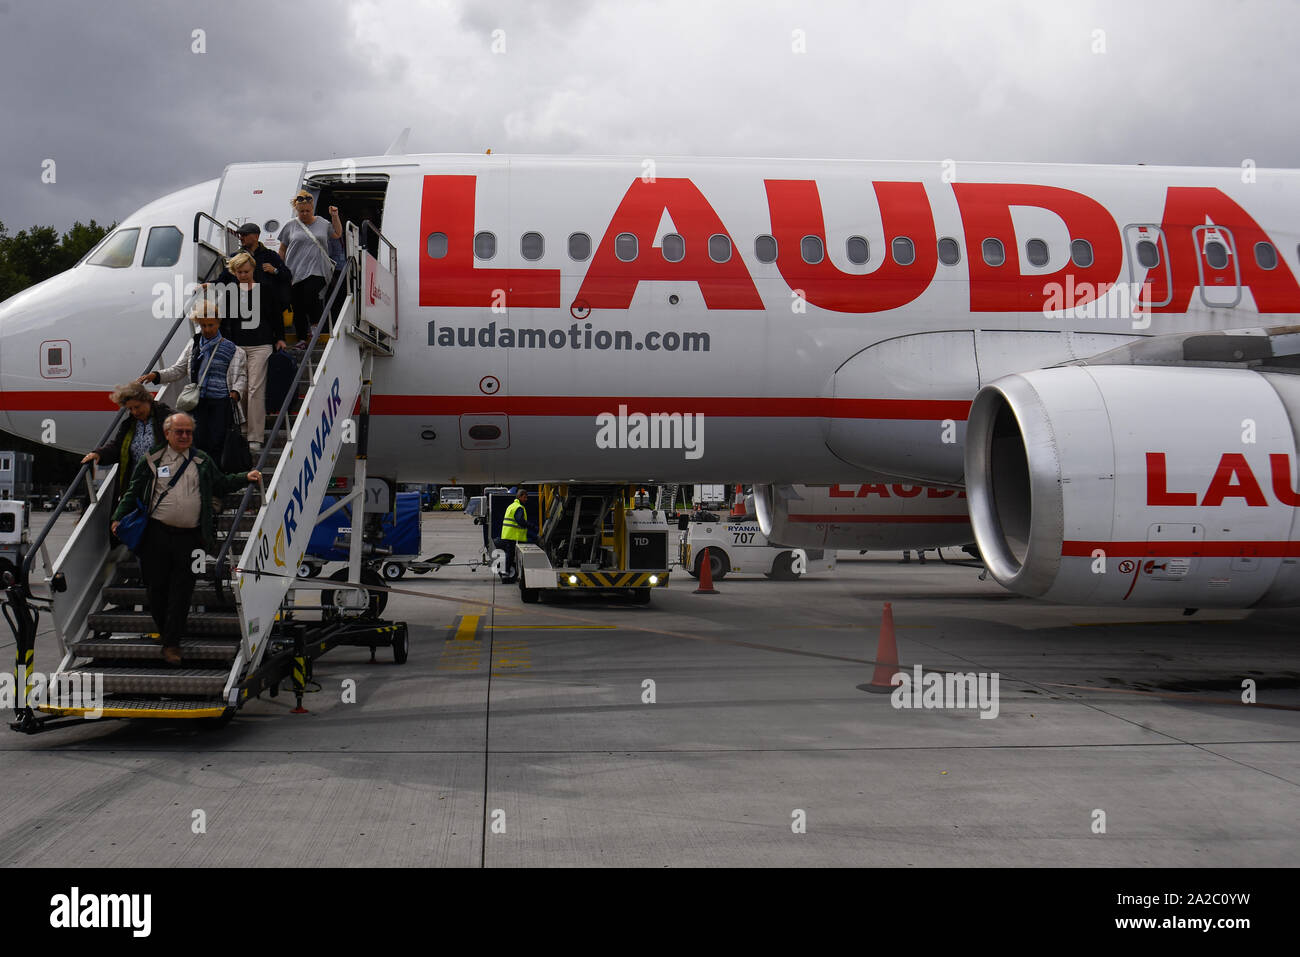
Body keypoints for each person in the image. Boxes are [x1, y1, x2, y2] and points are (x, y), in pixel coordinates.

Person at [110, 412, 261, 665]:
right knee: (156, 590)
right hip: (156, 535)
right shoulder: (152, 460)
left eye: (188, 432)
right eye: (179, 431)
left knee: (183, 591)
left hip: (190, 539)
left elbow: (221, 484)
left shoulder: (202, 460)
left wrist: (245, 477)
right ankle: (167, 634)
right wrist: (118, 517)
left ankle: (171, 643)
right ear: (167, 433)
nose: (184, 436)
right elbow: (134, 489)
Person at [139, 300, 246, 461]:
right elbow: (178, 369)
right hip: (197, 401)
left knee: (217, 441)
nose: (207, 329)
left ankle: (214, 476)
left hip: (221, 402)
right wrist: (157, 375)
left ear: (218, 322)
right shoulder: (194, 346)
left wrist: (236, 392)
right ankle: (201, 475)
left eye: (211, 325)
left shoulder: (232, 349)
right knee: (198, 441)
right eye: (203, 326)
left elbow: (240, 376)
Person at [211, 251, 286, 453]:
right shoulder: (230, 293)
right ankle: (243, 430)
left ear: (253, 269)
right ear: (234, 272)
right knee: (240, 390)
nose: (243, 275)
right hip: (237, 346)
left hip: (261, 344)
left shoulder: (266, 290)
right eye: (239, 272)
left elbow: (275, 315)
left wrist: (280, 338)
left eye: (246, 271)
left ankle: (255, 436)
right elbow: (224, 320)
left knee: (255, 389)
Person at [81, 383, 173, 503]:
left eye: (137, 407)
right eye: (130, 409)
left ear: (147, 400)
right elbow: (118, 447)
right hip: (135, 484)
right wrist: (99, 454)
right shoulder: (129, 424)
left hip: (162, 484)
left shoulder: (168, 419)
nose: (134, 412)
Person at [277, 190, 342, 347]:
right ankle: (301, 338)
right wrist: (281, 269)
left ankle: (314, 325)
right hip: (295, 270)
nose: (305, 214)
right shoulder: (290, 225)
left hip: (318, 268)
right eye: (301, 211)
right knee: (297, 305)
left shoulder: (323, 223)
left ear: (312, 209)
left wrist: (334, 216)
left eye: (308, 211)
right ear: (296, 210)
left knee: (310, 293)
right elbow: (283, 249)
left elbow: (338, 234)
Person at [497, 487, 530, 582]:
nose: (526, 499)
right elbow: (520, 521)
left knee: (510, 554)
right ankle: (505, 572)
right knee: (511, 555)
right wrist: (531, 526)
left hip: (508, 534)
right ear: (519, 497)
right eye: (525, 497)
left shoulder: (511, 505)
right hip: (513, 535)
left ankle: (505, 572)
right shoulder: (519, 507)